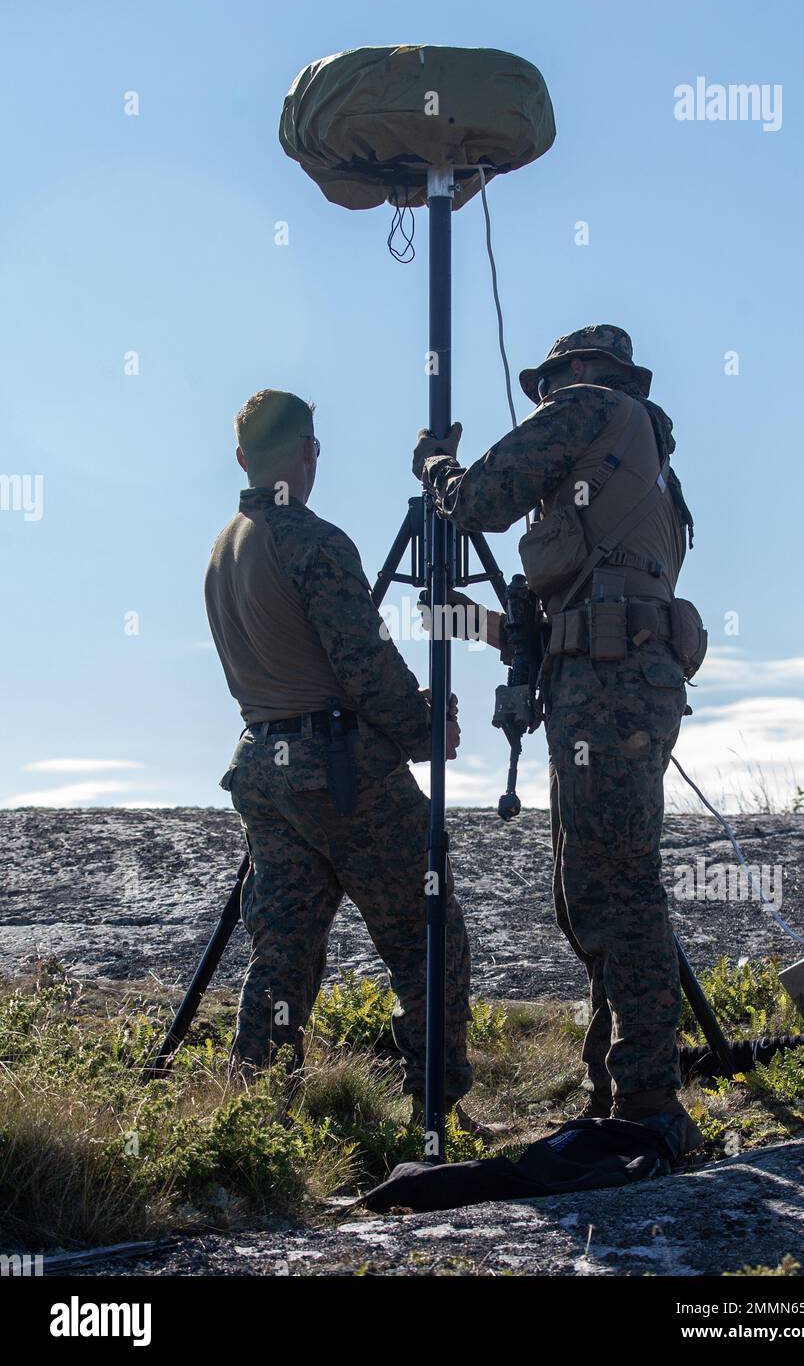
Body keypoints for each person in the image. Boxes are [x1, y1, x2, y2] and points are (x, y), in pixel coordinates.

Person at [412, 325, 704, 1158]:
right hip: (616, 680)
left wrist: (436, 468)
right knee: (594, 890)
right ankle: (618, 1090)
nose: (542, 403)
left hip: (610, 685)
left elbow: (478, 500)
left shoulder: (591, 407)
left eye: (548, 387)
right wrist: (484, 627)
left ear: (578, 374)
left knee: (616, 888)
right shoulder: (646, 472)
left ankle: (648, 1100)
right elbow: (568, 598)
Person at [205, 388, 473, 1115]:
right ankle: (434, 1113)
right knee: (428, 931)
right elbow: (364, 667)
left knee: (282, 952)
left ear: (242, 458)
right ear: (309, 451)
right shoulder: (315, 543)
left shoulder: (223, 550)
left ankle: (256, 1115)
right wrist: (425, 732)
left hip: (264, 766)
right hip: (338, 770)